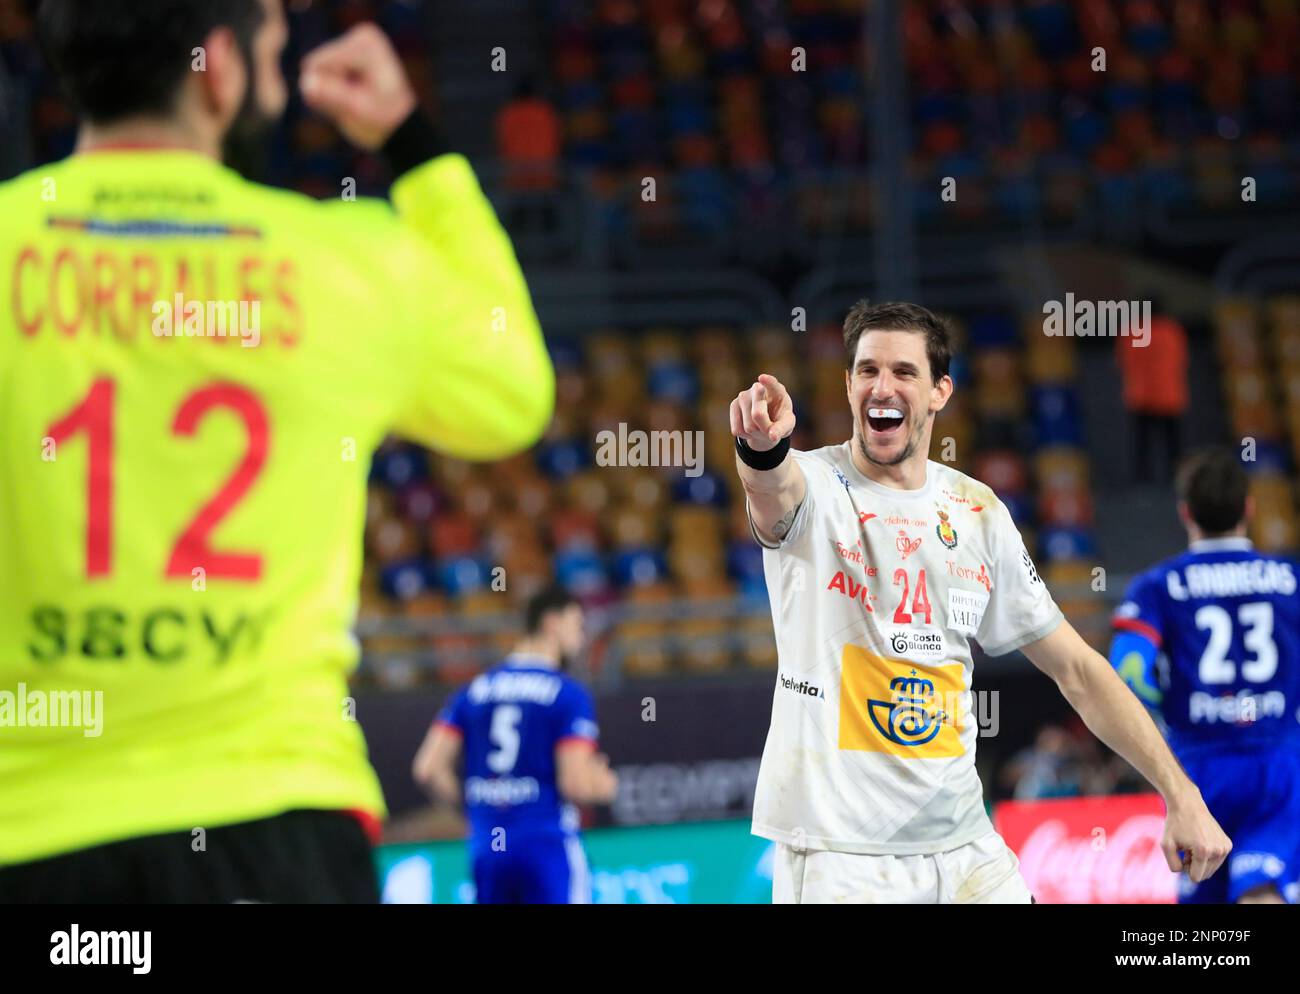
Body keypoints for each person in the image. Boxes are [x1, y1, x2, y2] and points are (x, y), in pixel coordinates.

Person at [0, 0, 553, 902]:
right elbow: (513, 392)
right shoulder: (347, 262)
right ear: (215, 66)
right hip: (275, 828)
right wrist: (416, 146)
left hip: (27, 835)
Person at [731, 299, 1230, 904]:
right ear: (847, 383)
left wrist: (1182, 794)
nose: (881, 387)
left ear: (941, 390)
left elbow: (1076, 669)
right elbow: (771, 487)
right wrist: (760, 448)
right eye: (867, 370)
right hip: (844, 861)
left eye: (903, 372)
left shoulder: (977, 512)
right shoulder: (815, 485)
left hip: (966, 850)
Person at [1110, 448, 1300, 904]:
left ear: (1185, 512)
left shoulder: (1158, 585)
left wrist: (1164, 713)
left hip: (1196, 771)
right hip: (1277, 760)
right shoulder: (1289, 578)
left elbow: (1128, 673)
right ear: (1249, 509)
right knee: (1261, 887)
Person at [412, 586, 617, 904]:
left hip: (489, 846)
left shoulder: (473, 691)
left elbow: (428, 769)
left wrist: (477, 810)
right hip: (545, 843)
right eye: (577, 625)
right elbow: (575, 783)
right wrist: (603, 786)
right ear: (552, 623)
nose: (581, 638)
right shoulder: (567, 695)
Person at [1117, 299, 1188, 485]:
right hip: (1169, 395)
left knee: (1143, 444)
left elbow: (1125, 361)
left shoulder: (1134, 332)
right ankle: (1176, 477)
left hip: (1142, 396)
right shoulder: (1172, 331)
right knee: (1173, 443)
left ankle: (1143, 479)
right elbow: (1181, 360)